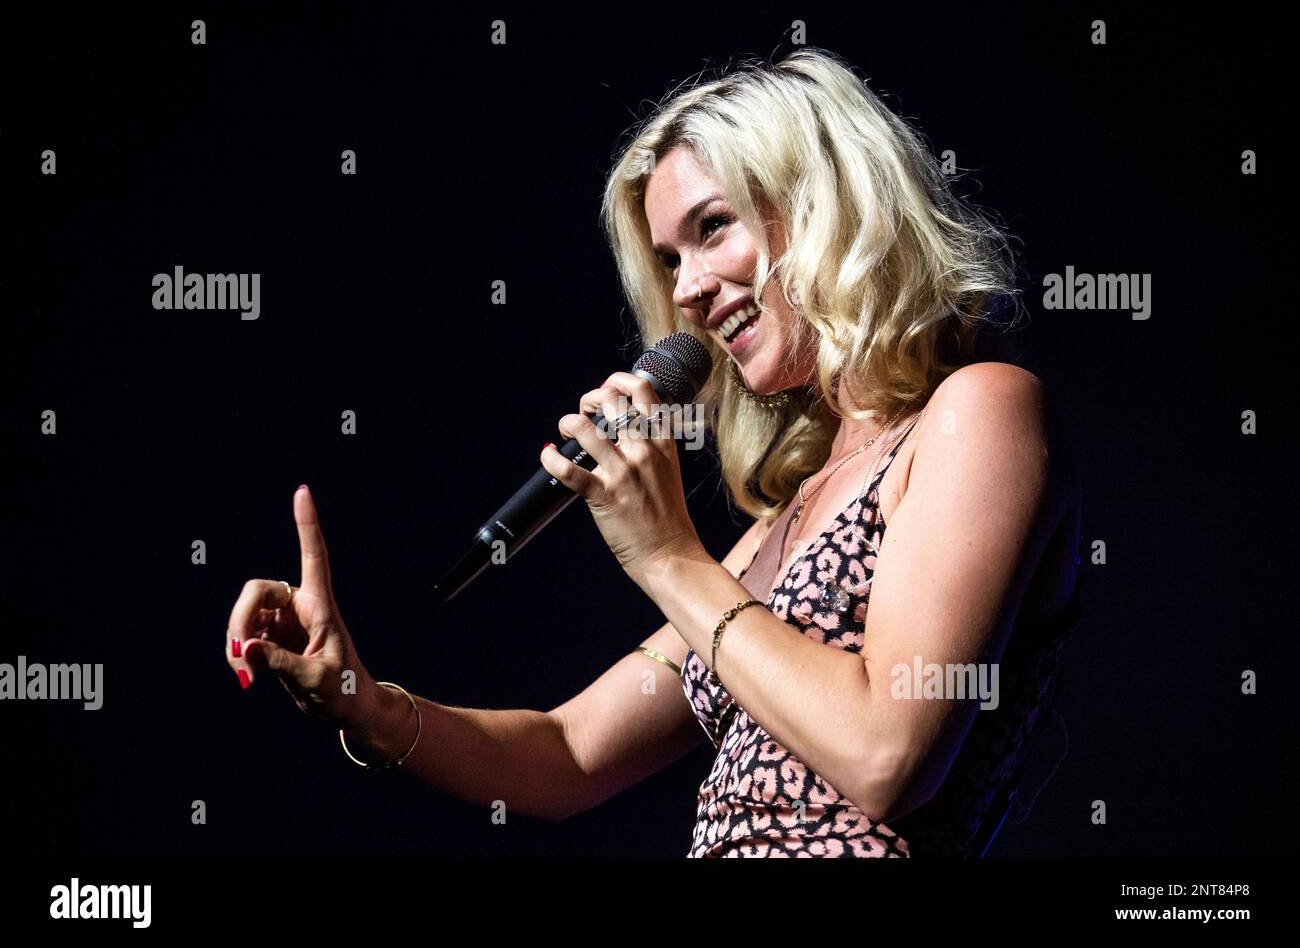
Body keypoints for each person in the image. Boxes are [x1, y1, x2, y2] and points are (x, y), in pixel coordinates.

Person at [225, 47, 1083, 857]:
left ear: (828, 207)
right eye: (670, 260)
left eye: (714, 228)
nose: (687, 291)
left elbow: (888, 754)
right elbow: (568, 756)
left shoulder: (980, 413)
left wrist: (667, 554)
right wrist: (361, 703)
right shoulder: (780, 528)